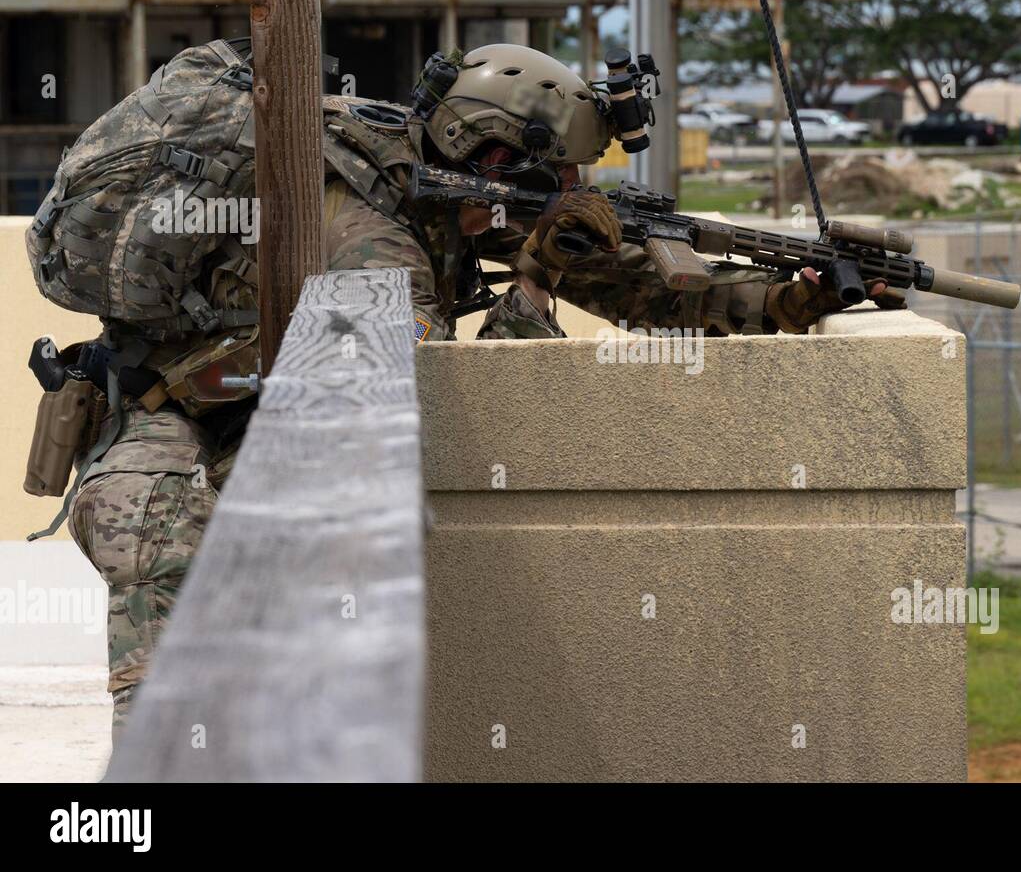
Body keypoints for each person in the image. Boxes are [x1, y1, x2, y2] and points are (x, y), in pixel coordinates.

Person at [66, 43, 890, 734]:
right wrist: (534, 282)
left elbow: (652, 292)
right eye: (550, 176)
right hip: (170, 406)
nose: (563, 194)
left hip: (279, 411)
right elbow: (417, 392)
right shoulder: (368, 231)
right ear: (490, 158)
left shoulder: (451, 194)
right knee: (160, 541)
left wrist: (791, 298)